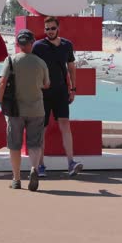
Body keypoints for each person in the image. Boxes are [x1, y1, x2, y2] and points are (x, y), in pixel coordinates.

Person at [31, 16, 83, 177]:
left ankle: (71, 163)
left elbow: (71, 67)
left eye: (52, 28)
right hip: (43, 93)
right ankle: (40, 166)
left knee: (65, 125)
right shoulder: (38, 46)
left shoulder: (67, 45)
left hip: (61, 91)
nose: (50, 31)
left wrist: (73, 88)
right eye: (47, 29)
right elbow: (33, 69)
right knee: (42, 129)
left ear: (58, 28)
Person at [0, 29, 49, 192]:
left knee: (14, 145)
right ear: (32, 42)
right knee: (35, 143)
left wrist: (0, 101)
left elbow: (2, 82)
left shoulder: (11, 60)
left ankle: (16, 179)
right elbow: (46, 84)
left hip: (15, 109)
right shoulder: (41, 62)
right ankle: (34, 167)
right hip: (36, 109)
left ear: (18, 44)